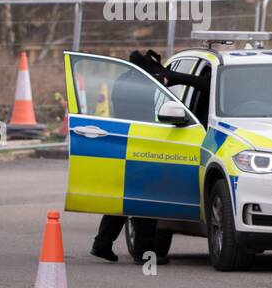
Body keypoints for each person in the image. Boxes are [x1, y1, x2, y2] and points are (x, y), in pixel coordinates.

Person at [90, 50, 209, 263]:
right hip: (143, 140)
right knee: (146, 199)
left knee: (128, 197)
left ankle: (102, 243)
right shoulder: (145, 80)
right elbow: (198, 85)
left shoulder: (127, 77)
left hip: (130, 139)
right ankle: (144, 253)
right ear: (151, 67)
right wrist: (190, 79)